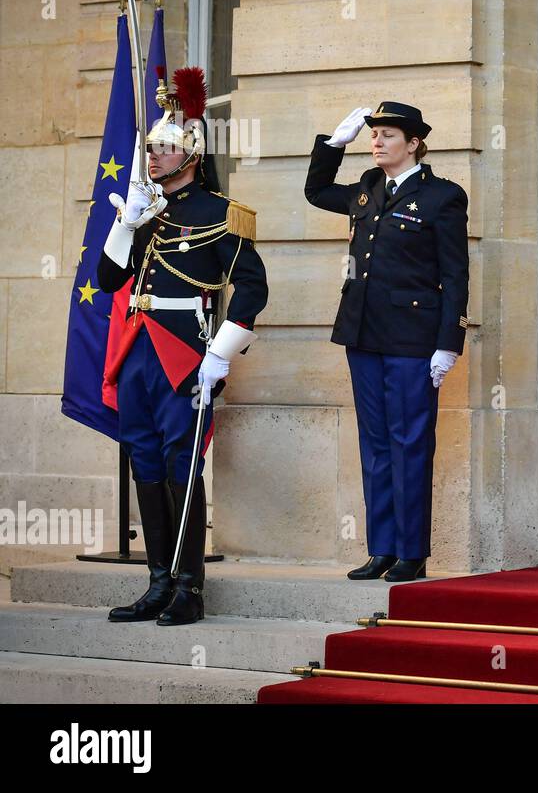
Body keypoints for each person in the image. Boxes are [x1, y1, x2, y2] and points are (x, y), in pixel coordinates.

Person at [99, 66, 268, 626]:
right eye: (151, 149)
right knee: (144, 462)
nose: (153, 157)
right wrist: (126, 225)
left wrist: (220, 351)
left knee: (180, 464)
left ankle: (189, 587)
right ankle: (157, 581)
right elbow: (105, 280)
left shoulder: (220, 213)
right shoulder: (143, 208)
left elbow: (253, 286)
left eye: (165, 149)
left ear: (190, 156)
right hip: (136, 348)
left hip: (183, 351)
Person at [305, 102, 469, 583]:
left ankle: (411, 552)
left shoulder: (442, 196)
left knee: (410, 442)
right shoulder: (366, 190)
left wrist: (449, 342)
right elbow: (316, 191)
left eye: (387, 135)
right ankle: (381, 548)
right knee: (374, 443)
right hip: (364, 333)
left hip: (414, 339)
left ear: (414, 143)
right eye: (373, 134)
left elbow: (455, 274)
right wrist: (333, 144)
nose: (376, 142)